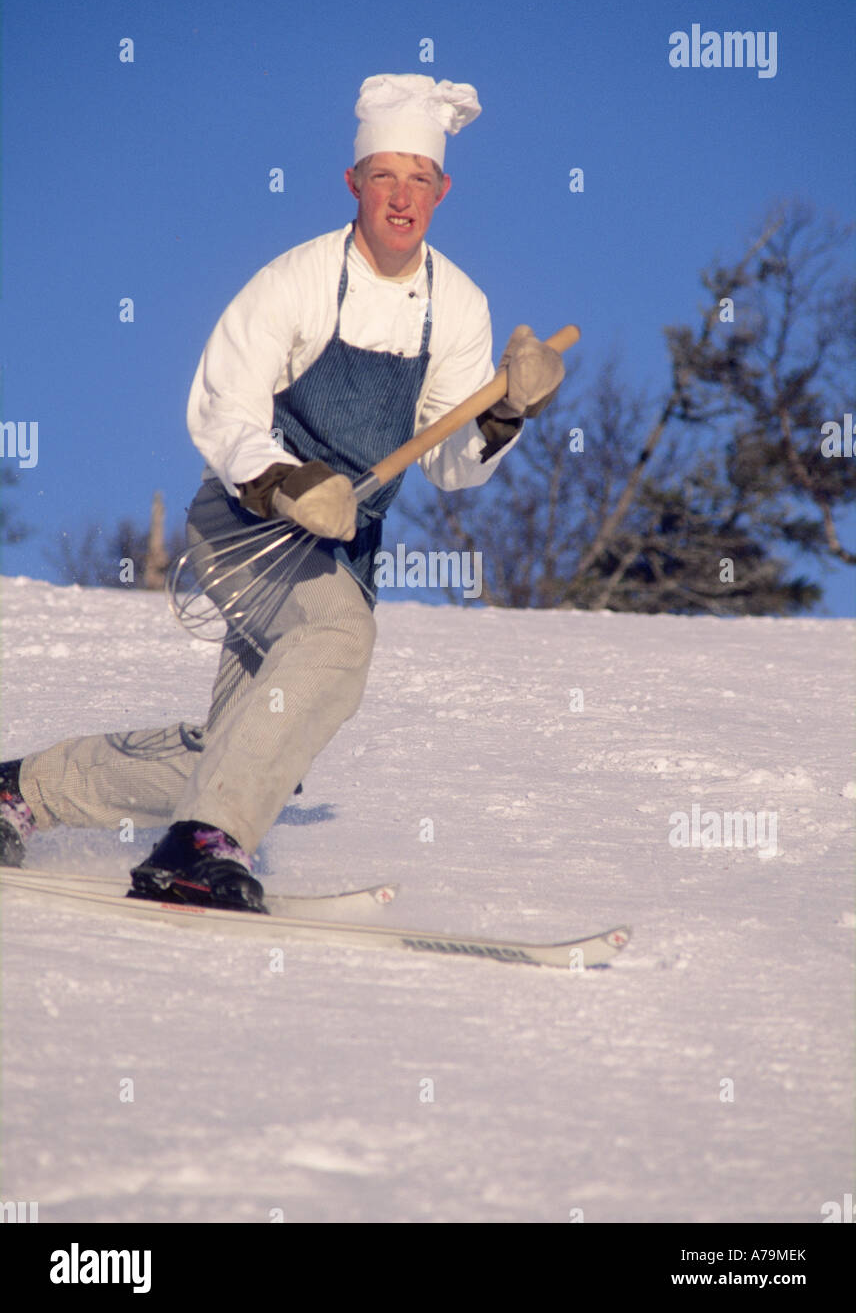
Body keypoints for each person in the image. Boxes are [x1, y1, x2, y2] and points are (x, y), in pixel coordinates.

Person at [0, 74, 564, 912]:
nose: (401, 197)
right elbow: (223, 403)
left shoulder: (460, 307)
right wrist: (284, 480)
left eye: (419, 179)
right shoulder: (297, 279)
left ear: (443, 191)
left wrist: (507, 411)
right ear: (354, 184)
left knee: (254, 749)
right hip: (245, 523)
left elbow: (450, 463)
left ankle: (23, 793)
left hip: (345, 550)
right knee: (337, 643)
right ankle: (201, 846)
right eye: (384, 176)